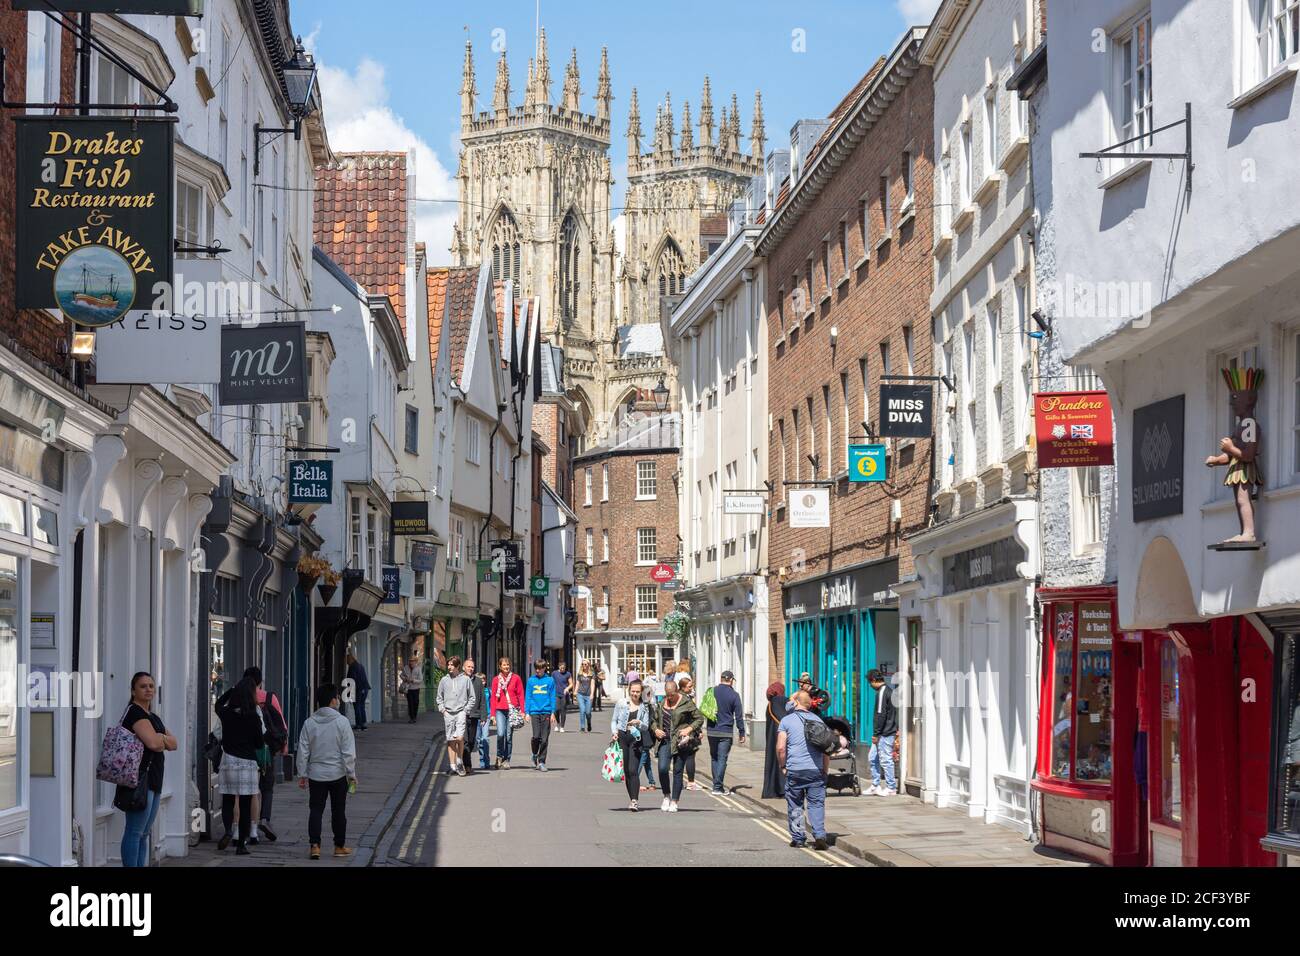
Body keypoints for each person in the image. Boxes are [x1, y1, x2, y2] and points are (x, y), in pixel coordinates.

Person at [118, 672, 177, 867]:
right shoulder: (135, 712)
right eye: (143, 686)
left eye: (151, 686)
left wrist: (160, 738)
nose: (148, 689)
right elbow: (153, 743)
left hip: (153, 778)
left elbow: (174, 744)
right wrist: (160, 738)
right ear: (133, 690)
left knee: (144, 833)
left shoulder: (152, 716)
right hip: (138, 778)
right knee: (135, 831)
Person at [296, 683, 357, 860]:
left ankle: (315, 846)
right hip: (338, 774)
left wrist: (302, 774)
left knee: (316, 810)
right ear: (332, 701)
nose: (339, 700)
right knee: (338, 811)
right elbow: (348, 752)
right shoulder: (342, 722)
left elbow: (303, 751)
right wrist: (351, 774)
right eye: (337, 697)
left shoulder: (309, 723)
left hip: (316, 774)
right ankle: (339, 846)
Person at [214, 675, 264, 855]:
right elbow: (259, 744)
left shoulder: (226, 714)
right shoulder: (253, 717)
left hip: (228, 761)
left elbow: (218, 704)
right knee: (244, 804)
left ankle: (229, 830)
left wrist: (231, 690)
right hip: (247, 763)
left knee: (228, 800)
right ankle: (241, 845)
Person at [777, 690, 830, 851]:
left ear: (796, 702)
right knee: (816, 804)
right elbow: (826, 750)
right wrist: (825, 771)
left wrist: (783, 766)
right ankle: (819, 835)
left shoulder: (786, 721)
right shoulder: (819, 721)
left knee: (795, 804)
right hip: (815, 770)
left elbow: (780, 748)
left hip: (795, 769)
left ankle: (799, 838)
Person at [245, 666, 286, 845]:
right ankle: (264, 819)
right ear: (260, 681)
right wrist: (283, 747)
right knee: (266, 785)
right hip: (266, 750)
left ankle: (246, 823)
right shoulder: (269, 697)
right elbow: (281, 725)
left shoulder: (239, 697)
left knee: (246, 788)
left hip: (244, 750)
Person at [650, 680, 704, 812]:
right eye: (667, 695)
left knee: (678, 771)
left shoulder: (686, 702)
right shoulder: (662, 703)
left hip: (681, 742)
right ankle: (666, 796)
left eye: (672, 695)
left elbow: (699, 718)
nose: (669, 697)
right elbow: (653, 720)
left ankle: (674, 800)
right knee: (662, 768)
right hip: (665, 741)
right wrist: (656, 729)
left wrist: (689, 729)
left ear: (677, 691)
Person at [610, 679, 652, 811]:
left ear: (641, 692)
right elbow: (614, 720)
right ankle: (631, 798)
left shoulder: (644, 706)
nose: (635, 694)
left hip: (635, 739)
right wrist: (614, 732)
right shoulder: (621, 703)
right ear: (629, 690)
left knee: (633, 770)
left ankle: (634, 801)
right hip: (622, 737)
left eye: (638, 692)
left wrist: (639, 722)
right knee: (627, 771)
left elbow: (646, 726)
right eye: (633, 691)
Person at [706, 670, 747, 795]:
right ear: (731, 680)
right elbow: (739, 716)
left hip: (711, 730)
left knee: (714, 758)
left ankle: (716, 785)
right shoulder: (734, 695)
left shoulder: (711, 691)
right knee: (722, 758)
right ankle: (718, 787)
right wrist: (742, 732)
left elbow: (705, 708)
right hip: (726, 731)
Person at [437, 656, 474, 776]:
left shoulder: (465, 680)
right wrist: (443, 710)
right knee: (450, 740)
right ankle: (452, 766)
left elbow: (472, 697)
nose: (449, 667)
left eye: (452, 665)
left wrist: (465, 710)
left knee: (459, 738)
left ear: (458, 666)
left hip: (460, 713)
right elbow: (439, 697)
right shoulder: (444, 680)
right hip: (448, 713)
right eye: (448, 665)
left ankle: (459, 761)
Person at [867, 669, 899, 796]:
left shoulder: (882, 693)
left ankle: (891, 787)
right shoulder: (889, 691)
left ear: (874, 680)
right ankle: (875, 785)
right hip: (885, 732)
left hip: (884, 733)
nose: (870, 685)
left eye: (870, 682)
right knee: (872, 758)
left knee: (885, 760)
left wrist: (876, 734)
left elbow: (881, 715)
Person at [489, 657, 524, 769]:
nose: (506, 667)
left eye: (508, 664)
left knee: (509, 736)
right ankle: (499, 756)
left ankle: (506, 759)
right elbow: (493, 698)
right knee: (500, 734)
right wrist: (493, 715)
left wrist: (522, 711)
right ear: (500, 666)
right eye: (504, 665)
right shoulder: (496, 680)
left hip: (512, 710)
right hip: (499, 710)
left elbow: (521, 695)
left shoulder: (516, 678)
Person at [525, 660, 556, 771]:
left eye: (540, 668)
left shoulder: (550, 680)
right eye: (536, 668)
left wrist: (553, 712)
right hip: (534, 712)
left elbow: (552, 696)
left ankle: (541, 761)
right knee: (536, 736)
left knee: (544, 739)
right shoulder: (531, 681)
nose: (538, 670)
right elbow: (528, 696)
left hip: (546, 711)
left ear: (544, 668)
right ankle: (534, 753)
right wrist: (527, 712)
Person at [762, 682, 789, 799]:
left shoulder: (770, 704)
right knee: (782, 763)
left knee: (772, 763)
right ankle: (783, 789)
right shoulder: (782, 701)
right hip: (783, 737)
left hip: (772, 739)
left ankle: (772, 789)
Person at [677, 675, 703, 791]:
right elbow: (694, 717)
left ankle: (678, 782)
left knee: (679, 758)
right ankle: (691, 783)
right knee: (690, 756)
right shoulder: (686, 700)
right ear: (682, 687)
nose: (692, 688)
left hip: (678, 731)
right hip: (688, 731)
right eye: (689, 686)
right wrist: (698, 731)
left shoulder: (677, 697)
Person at [463, 659, 487, 771]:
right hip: (462, 715)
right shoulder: (460, 680)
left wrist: (483, 716)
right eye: (468, 666)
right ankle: (467, 765)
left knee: (472, 741)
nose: (470, 669)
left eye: (472, 667)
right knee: (465, 741)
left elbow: (482, 700)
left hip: (474, 715)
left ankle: (465, 762)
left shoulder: (478, 681)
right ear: (464, 667)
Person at [345, 653, 371, 731]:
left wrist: (349, 693)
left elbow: (352, 681)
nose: (346, 662)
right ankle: (363, 724)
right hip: (364, 688)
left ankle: (358, 725)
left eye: (347, 660)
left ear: (350, 660)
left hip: (357, 689)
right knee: (361, 706)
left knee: (357, 706)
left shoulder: (352, 667)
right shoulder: (360, 666)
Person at [400, 655, 423, 724]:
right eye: (410, 661)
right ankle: (411, 718)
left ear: (416, 662)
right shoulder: (406, 668)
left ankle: (414, 716)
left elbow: (421, 679)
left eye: (412, 661)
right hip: (408, 688)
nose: (411, 662)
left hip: (416, 688)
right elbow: (401, 675)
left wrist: (413, 680)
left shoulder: (418, 668)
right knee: (410, 703)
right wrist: (405, 679)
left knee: (416, 702)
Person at [552, 661, 573, 732]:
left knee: (563, 710)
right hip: (556, 693)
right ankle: (558, 723)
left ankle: (562, 726)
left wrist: (567, 688)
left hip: (564, 694)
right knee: (556, 709)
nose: (562, 669)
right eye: (561, 667)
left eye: (564, 668)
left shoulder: (568, 674)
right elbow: (551, 682)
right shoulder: (554, 673)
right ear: (559, 667)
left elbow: (571, 684)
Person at [575, 661, 596, 732]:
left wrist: (592, 694)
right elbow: (577, 684)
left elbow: (592, 684)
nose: (584, 665)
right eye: (583, 664)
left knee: (588, 712)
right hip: (580, 694)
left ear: (588, 665)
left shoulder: (592, 674)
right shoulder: (579, 674)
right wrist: (575, 691)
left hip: (588, 695)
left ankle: (589, 722)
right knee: (582, 710)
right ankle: (582, 727)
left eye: (585, 664)